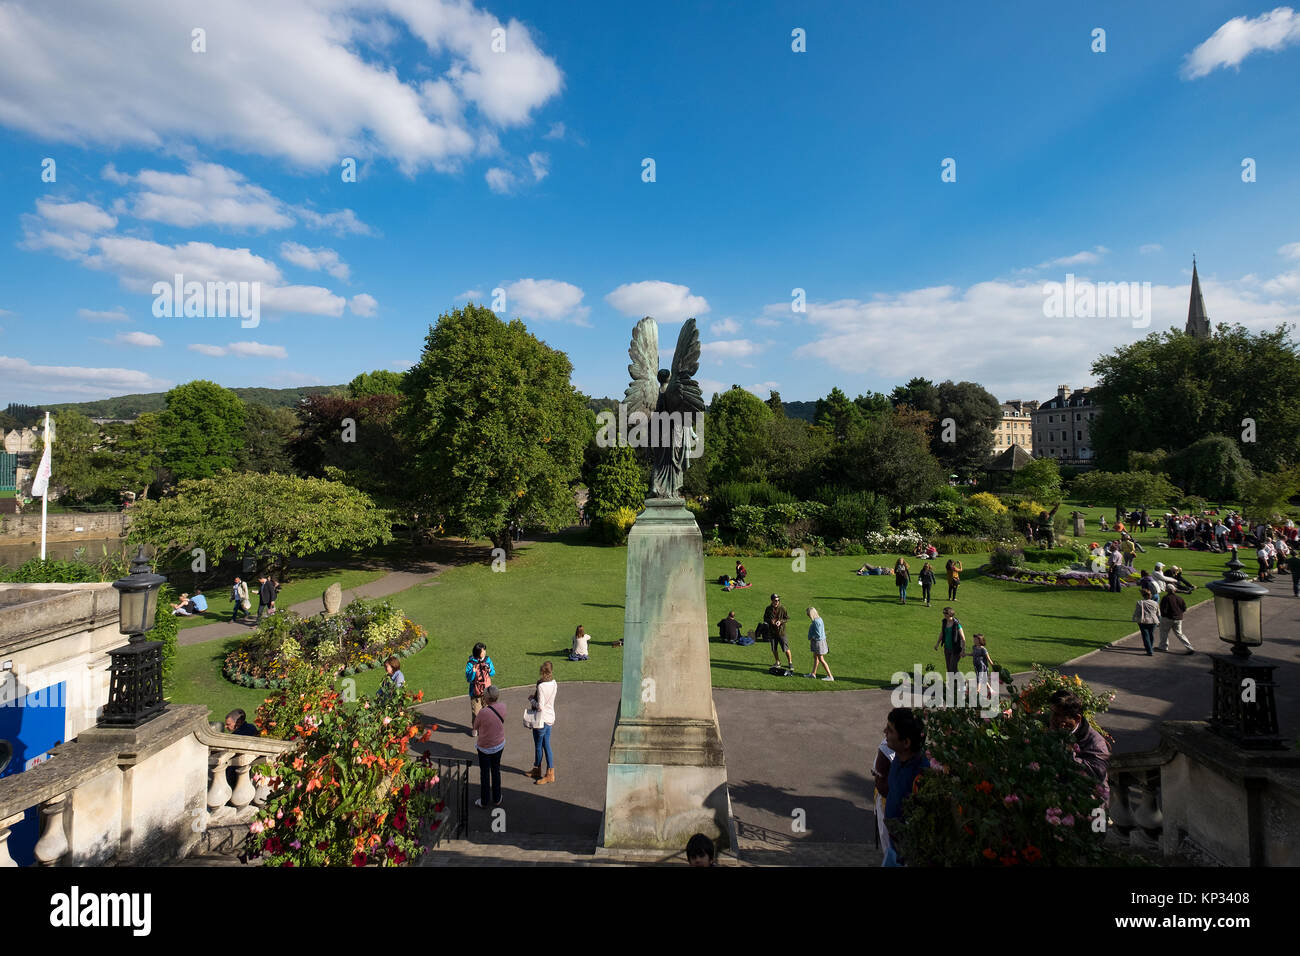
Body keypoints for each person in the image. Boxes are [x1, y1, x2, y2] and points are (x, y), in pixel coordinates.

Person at [881, 707, 929, 867]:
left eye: (890, 730)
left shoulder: (920, 774)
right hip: (895, 848)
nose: (884, 732)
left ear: (906, 742)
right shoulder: (898, 760)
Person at [1049, 691, 1110, 805]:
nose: (1052, 719)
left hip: (1092, 808)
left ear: (1077, 719)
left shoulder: (1096, 742)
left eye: (1058, 715)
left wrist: (1067, 751)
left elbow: (1097, 773)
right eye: (1052, 713)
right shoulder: (1053, 731)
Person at [472, 685, 507, 808]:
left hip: (485, 748)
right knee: (496, 771)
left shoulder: (483, 712)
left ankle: (484, 801)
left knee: (485, 774)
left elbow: (475, 726)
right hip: (499, 745)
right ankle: (497, 798)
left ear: (486, 698)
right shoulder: (503, 707)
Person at [528, 661, 557, 786]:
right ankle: (549, 773)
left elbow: (540, 706)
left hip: (542, 719)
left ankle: (537, 769)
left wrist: (531, 700)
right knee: (546, 745)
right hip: (550, 718)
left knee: (539, 746)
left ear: (542, 672)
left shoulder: (541, 686)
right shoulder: (554, 683)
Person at [871, 735, 894, 856]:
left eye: (890, 729)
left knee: (888, 840)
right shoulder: (888, 745)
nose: (885, 732)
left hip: (887, 801)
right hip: (885, 798)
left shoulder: (889, 748)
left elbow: (879, 769)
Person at [465, 642, 495, 736]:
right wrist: (473, 672)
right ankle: (475, 728)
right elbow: (469, 679)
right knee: (476, 713)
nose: (485, 652)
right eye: (483, 650)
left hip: (487, 692)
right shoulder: (471, 663)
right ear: (478, 652)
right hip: (475, 693)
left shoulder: (487, 660)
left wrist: (489, 670)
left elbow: (493, 672)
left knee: (487, 711)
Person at [1157, 587, 1194, 654]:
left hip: (1167, 618)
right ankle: (1189, 648)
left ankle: (1163, 647)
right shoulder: (1180, 598)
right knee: (1179, 634)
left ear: (1167, 590)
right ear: (1174, 590)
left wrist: (1163, 616)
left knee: (1164, 632)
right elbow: (1184, 608)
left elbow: (1163, 609)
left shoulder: (1165, 598)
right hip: (1178, 619)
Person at [764, 594, 793, 670]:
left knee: (786, 648)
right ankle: (778, 662)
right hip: (772, 632)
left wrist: (780, 621)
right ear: (772, 601)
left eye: (778, 600)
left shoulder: (782, 608)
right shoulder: (768, 609)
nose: (777, 602)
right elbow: (765, 618)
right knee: (774, 649)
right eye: (775, 600)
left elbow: (787, 618)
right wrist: (770, 621)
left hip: (781, 632)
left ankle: (790, 662)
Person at [934, 606, 965, 675]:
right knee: (948, 668)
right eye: (943, 612)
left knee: (953, 668)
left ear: (950, 614)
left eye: (945, 613)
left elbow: (963, 638)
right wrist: (937, 644)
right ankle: (951, 684)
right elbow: (942, 633)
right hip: (947, 648)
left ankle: (962, 682)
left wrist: (963, 650)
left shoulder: (957, 624)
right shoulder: (944, 622)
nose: (944, 614)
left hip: (955, 649)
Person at [805, 607, 833, 681]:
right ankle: (813, 674)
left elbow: (818, 635)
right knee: (815, 657)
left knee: (821, 659)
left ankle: (830, 676)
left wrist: (812, 637)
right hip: (820, 642)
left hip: (818, 643)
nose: (807, 615)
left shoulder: (816, 622)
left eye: (808, 614)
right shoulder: (819, 619)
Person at [1131, 587, 1159, 656]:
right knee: (1151, 635)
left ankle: (1149, 650)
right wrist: (1159, 621)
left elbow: (1137, 612)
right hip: (1153, 621)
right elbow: (1158, 613)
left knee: (1145, 636)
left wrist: (1134, 619)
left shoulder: (1140, 603)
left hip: (1143, 621)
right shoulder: (1155, 603)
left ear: (1143, 595)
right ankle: (1150, 647)